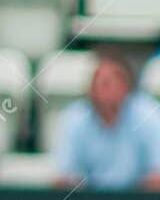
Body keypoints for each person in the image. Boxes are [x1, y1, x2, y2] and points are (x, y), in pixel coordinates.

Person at [54, 50, 160, 189]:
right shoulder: (75, 117)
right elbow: (63, 176)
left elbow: (157, 175)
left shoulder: (148, 115)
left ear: (126, 86)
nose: (99, 89)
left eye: (107, 83)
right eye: (95, 82)